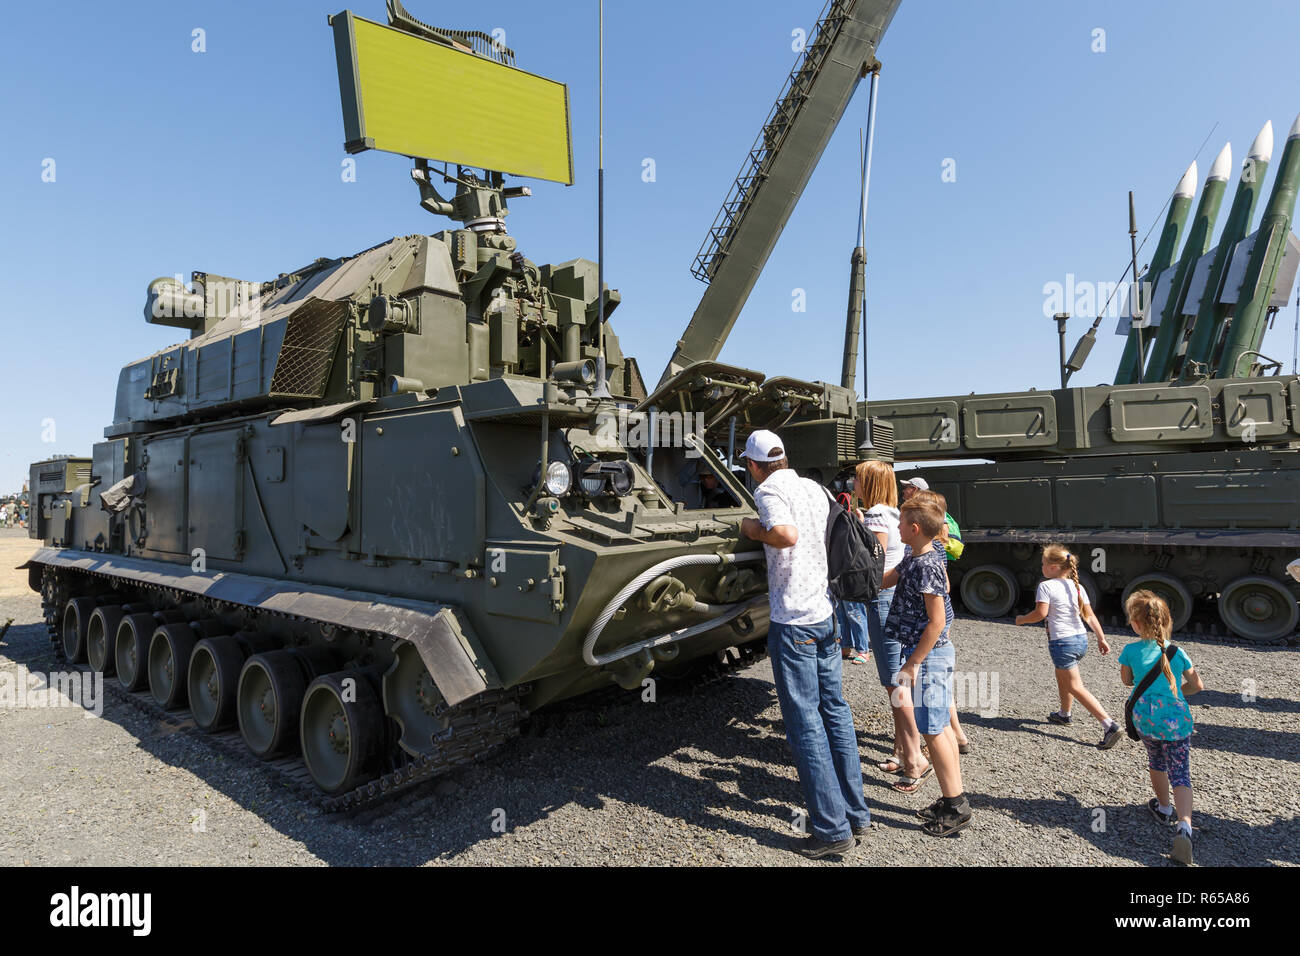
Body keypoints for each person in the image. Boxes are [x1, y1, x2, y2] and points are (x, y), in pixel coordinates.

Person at [739, 428, 870, 859]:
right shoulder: (813, 486)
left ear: (755, 466)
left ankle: (831, 831)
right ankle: (856, 813)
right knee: (834, 710)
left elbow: (786, 534)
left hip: (793, 621)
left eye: (749, 466)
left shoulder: (768, 490)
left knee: (804, 722)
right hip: (825, 615)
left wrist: (751, 528)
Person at [881, 494, 972, 835]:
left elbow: (936, 622)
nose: (898, 527)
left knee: (932, 731)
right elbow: (886, 579)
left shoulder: (927, 564)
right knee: (941, 728)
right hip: (928, 655)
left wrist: (913, 663)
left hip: (929, 656)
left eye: (901, 523)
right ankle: (952, 800)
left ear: (914, 528)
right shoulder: (914, 556)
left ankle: (956, 806)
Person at [1119, 590, 1203, 865]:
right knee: (1181, 773)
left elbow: (1128, 682)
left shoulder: (1130, 651)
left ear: (1136, 623)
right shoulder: (1178, 652)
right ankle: (1184, 827)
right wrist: (1177, 690)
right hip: (1175, 723)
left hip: (1146, 720)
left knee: (1156, 761)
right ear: (1166, 620)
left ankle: (1164, 807)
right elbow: (1197, 686)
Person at [1014, 544, 1122, 749]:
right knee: (1061, 673)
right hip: (1080, 639)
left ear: (1054, 567)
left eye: (1044, 563)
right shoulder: (1077, 586)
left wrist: (1021, 619)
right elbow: (1089, 616)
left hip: (1062, 642)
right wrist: (1101, 638)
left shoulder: (1045, 586)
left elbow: (1040, 614)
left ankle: (1109, 724)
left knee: (1075, 685)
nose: (1042, 567)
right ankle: (1064, 714)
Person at [854, 460, 921, 777]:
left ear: (868, 484)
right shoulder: (893, 512)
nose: (853, 483)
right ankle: (901, 748)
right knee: (900, 680)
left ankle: (914, 757)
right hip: (895, 600)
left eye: (857, 478)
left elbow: (872, 562)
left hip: (881, 601)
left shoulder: (877, 514)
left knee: (894, 683)